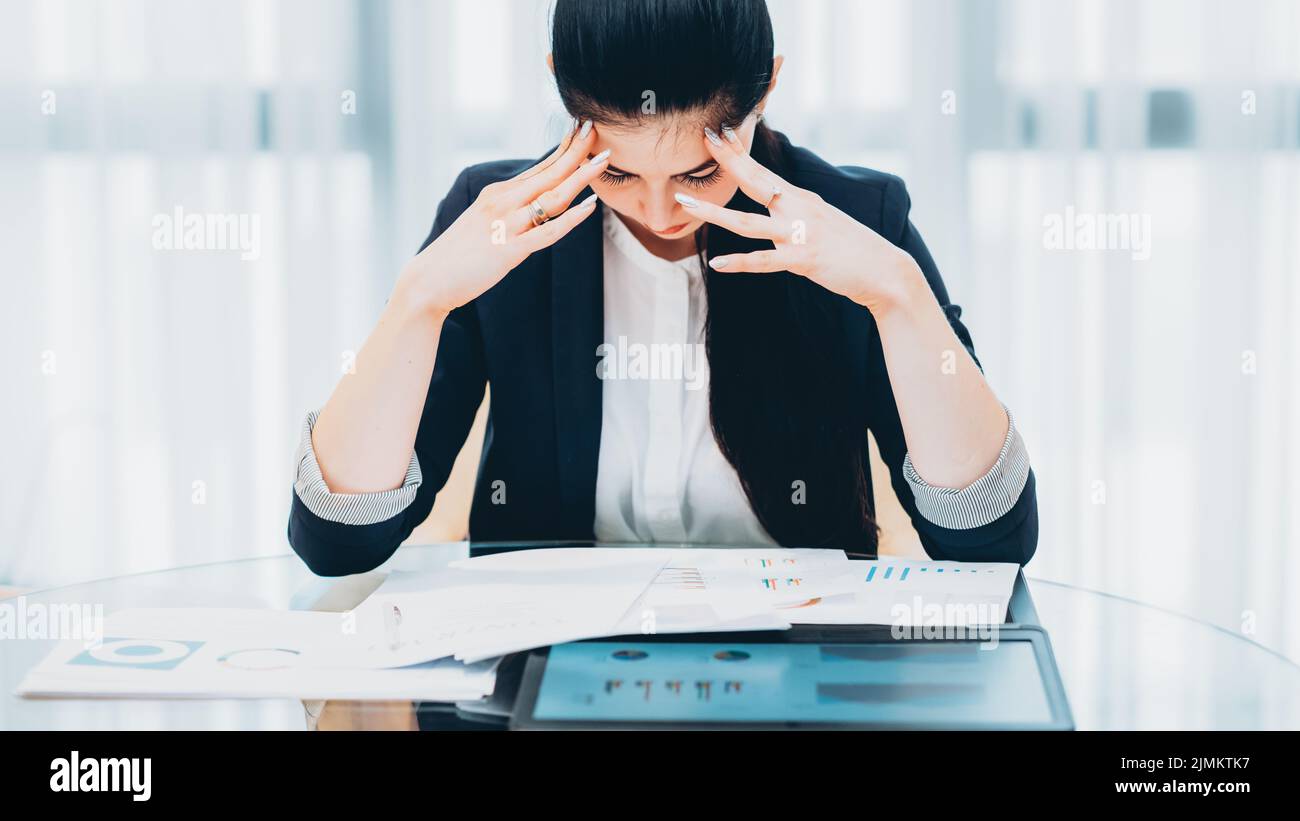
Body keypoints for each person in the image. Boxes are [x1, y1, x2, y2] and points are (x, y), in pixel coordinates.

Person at [287, 0, 1036, 576]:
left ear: (766, 87)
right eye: (617, 171)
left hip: (796, 684)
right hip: (548, 683)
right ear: (564, 94)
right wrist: (417, 301)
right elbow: (337, 541)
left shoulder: (859, 221)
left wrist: (899, 295)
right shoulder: (499, 223)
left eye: (698, 172)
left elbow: (989, 540)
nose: (658, 210)